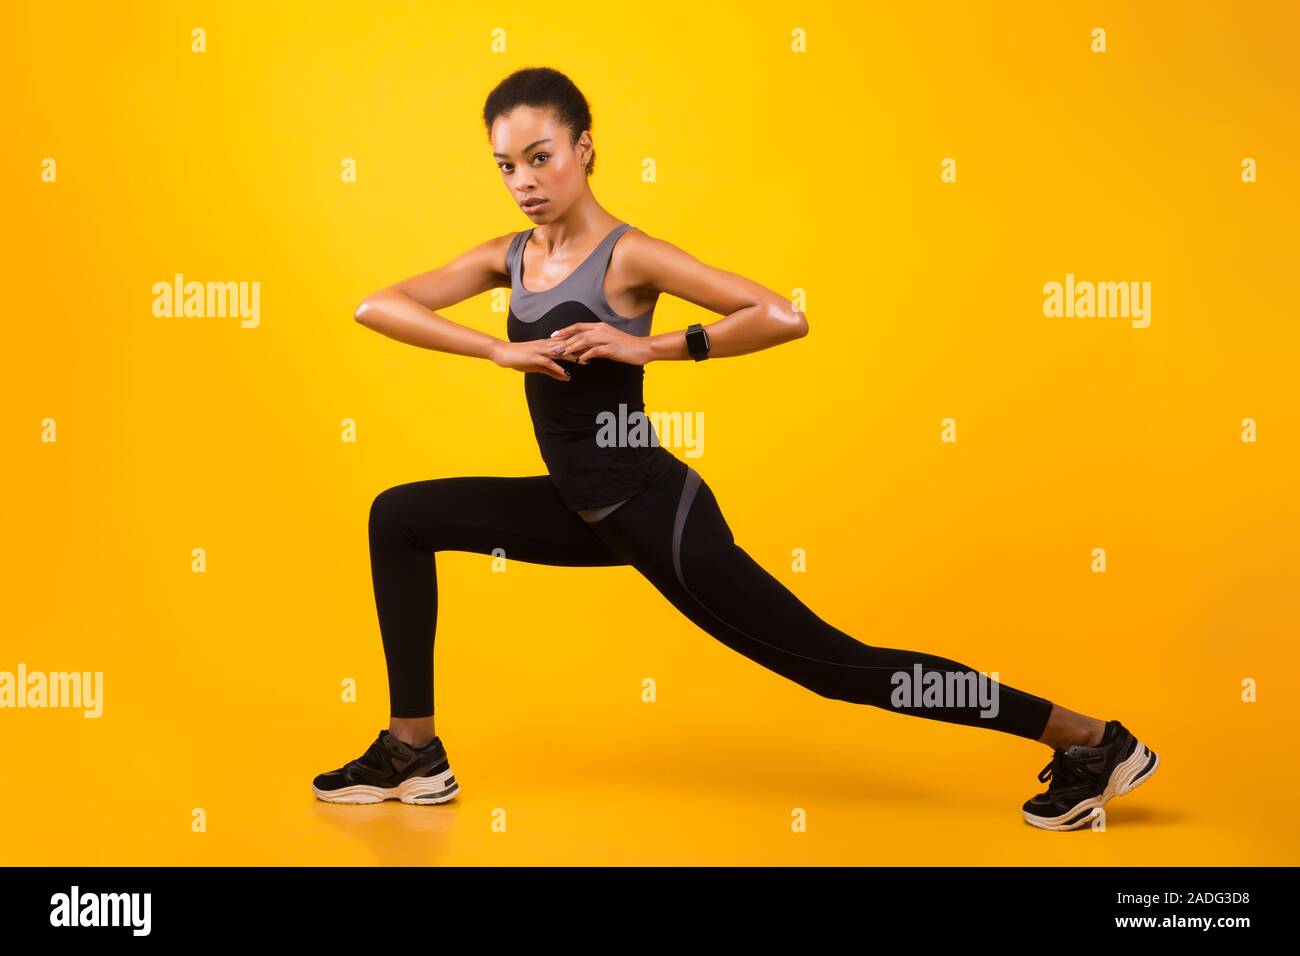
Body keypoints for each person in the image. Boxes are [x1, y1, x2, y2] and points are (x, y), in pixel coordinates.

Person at [311, 67, 1159, 830]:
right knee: (401, 516)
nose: (524, 183)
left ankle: (1092, 739)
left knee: (837, 667)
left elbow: (781, 314)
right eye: (505, 166)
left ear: (584, 148)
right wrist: (499, 350)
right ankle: (414, 752)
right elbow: (376, 305)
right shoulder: (511, 257)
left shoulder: (628, 256)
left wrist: (649, 346)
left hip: (651, 512)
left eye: (540, 157)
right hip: (578, 508)